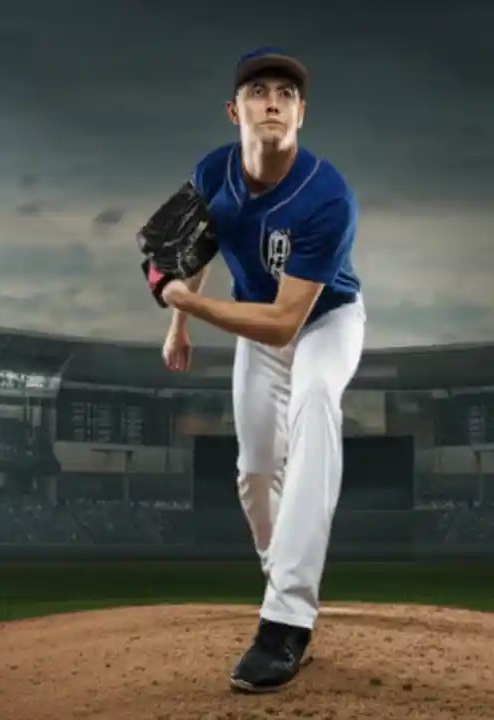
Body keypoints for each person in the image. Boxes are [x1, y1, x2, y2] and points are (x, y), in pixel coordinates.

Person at [155, 47, 365, 693]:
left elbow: (283, 324)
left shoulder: (328, 196)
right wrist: (177, 320)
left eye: (286, 92)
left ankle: (287, 618)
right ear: (234, 109)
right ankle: (281, 569)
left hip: (323, 322)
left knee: (315, 407)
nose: (272, 99)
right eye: (257, 90)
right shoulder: (211, 167)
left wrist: (189, 302)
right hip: (252, 321)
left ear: (302, 112)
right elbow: (194, 246)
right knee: (253, 472)